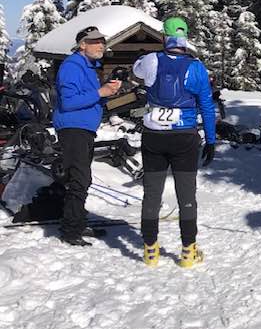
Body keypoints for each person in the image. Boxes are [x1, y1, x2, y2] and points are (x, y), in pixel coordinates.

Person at [132, 16, 216, 269]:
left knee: (152, 193)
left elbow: (136, 71)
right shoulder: (197, 67)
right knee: (186, 193)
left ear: (164, 37)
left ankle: (150, 251)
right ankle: (188, 251)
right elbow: (207, 107)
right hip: (184, 136)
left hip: (154, 135)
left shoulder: (150, 60)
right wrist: (211, 140)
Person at [52, 26, 122, 245]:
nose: (101, 45)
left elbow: (88, 99)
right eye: (95, 41)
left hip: (83, 129)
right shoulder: (72, 66)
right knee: (79, 179)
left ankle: (78, 224)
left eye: (102, 41)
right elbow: (69, 101)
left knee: (82, 178)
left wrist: (107, 93)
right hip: (73, 129)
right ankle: (71, 231)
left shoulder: (88, 67)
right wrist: (100, 92)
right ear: (82, 44)